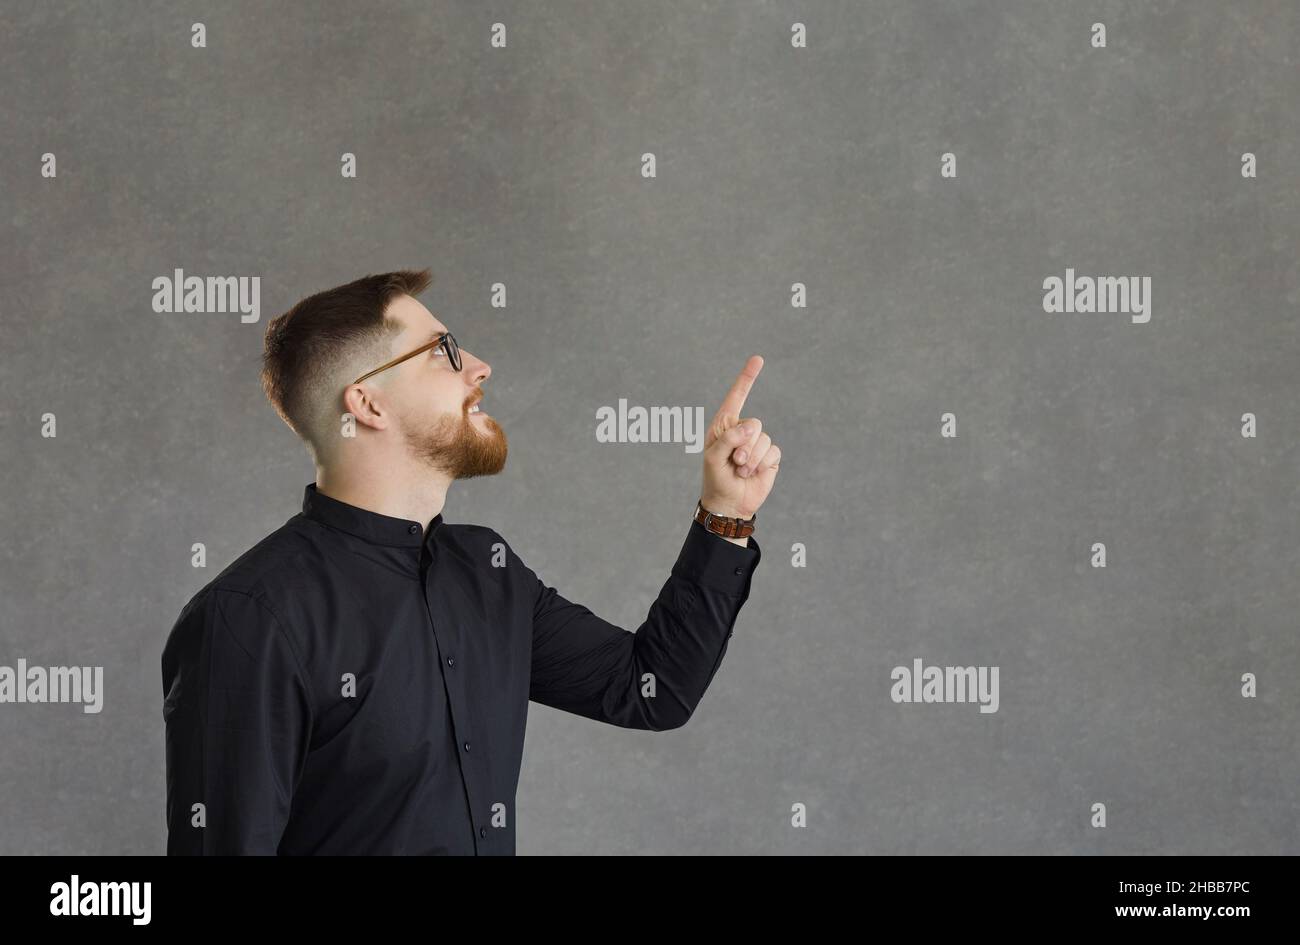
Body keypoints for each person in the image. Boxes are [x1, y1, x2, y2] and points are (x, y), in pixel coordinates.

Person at [161, 268, 782, 854]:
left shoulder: (488, 570)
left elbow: (650, 691)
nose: (479, 368)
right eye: (443, 351)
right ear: (368, 404)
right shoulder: (248, 619)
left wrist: (724, 514)